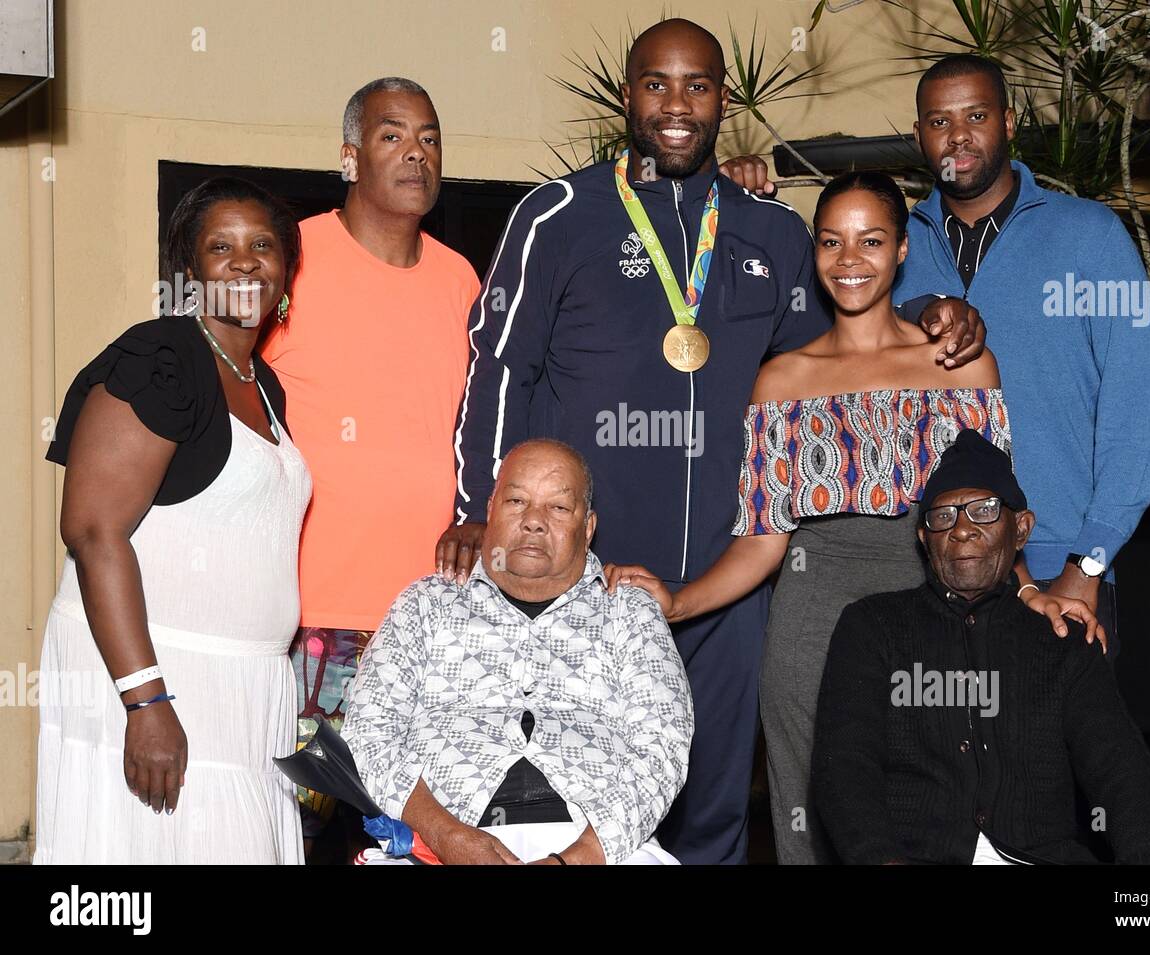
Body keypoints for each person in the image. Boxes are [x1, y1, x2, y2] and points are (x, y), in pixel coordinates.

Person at [440, 17, 985, 865]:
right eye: (657, 83)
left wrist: (929, 318)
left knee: (713, 815)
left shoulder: (767, 231)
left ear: (724, 100)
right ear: (627, 96)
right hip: (589, 586)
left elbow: (841, 346)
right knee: (574, 809)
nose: (677, 104)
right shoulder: (556, 217)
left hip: (728, 586)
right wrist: (478, 508)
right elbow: (498, 365)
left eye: (697, 85)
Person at [606, 172, 1102, 864]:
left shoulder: (961, 365)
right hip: (811, 633)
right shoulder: (780, 379)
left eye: (871, 240)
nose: (850, 259)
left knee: (938, 823)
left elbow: (986, 520)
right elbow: (763, 540)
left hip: (937, 624)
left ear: (902, 250)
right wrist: (677, 600)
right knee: (815, 834)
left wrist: (1027, 591)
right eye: (832, 241)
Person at [727, 55, 1150, 660]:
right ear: (918, 136)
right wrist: (733, 197)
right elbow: (830, 349)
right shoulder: (890, 245)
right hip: (930, 581)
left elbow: (1140, 418)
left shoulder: (1090, 237)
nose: (957, 135)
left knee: (1058, 755)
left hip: (1060, 570)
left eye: (977, 115)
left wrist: (1087, 562)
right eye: (939, 120)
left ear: (1010, 123)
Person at [37, 178, 310, 864]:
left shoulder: (263, 384)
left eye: (263, 246)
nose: (245, 262)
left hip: (246, 694)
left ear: (285, 272)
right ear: (190, 273)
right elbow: (92, 530)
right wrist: (144, 701)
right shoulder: (162, 358)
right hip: (163, 677)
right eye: (221, 247)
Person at [259, 77, 480, 846]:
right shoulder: (290, 258)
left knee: (410, 844)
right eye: (392, 135)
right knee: (295, 836)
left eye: (430, 137)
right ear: (350, 157)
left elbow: (474, 430)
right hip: (310, 623)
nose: (416, 153)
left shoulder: (461, 280)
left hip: (428, 623)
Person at [812, 429, 1150, 864]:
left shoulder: (1059, 641)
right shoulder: (873, 628)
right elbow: (845, 768)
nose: (962, 530)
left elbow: (1122, 770)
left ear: (1020, 529)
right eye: (943, 517)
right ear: (925, 539)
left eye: (984, 511)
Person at [343, 439, 692, 865]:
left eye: (559, 508)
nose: (534, 522)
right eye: (516, 500)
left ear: (589, 527)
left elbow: (663, 749)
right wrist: (447, 836)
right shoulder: (426, 603)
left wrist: (574, 860)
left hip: (600, 846)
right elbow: (369, 734)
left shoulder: (629, 611)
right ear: (489, 510)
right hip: (441, 837)